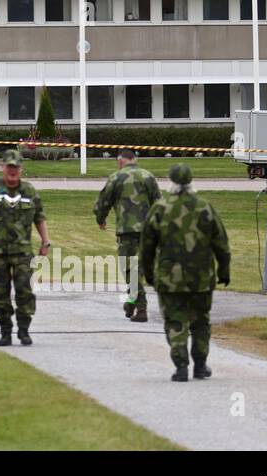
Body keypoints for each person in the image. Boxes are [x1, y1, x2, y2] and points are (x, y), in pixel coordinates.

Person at [140, 164, 231, 382]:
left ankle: (181, 366)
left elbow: (146, 246)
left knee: (175, 321)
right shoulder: (204, 207)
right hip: (201, 278)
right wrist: (224, 271)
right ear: (191, 182)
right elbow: (221, 243)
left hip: (170, 278)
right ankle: (200, 365)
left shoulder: (160, 208)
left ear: (170, 182)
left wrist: (149, 273)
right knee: (201, 322)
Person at [0, 150, 51, 346]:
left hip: (23, 252)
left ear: (21, 169)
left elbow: (39, 218)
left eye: (15, 167)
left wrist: (45, 241)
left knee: (25, 292)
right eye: (9, 167)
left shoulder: (29, 191)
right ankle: (5, 331)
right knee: (0, 294)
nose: (12, 171)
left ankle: (24, 330)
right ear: (3, 168)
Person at [92, 148, 162, 322]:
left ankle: (141, 307)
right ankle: (130, 302)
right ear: (134, 159)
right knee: (138, 269)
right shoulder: (148, 176)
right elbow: (159, 204)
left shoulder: (116, 177)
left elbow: (103, 202)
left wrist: (101, 219)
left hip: (127, 231)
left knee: (130, 270)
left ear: (121, 160)